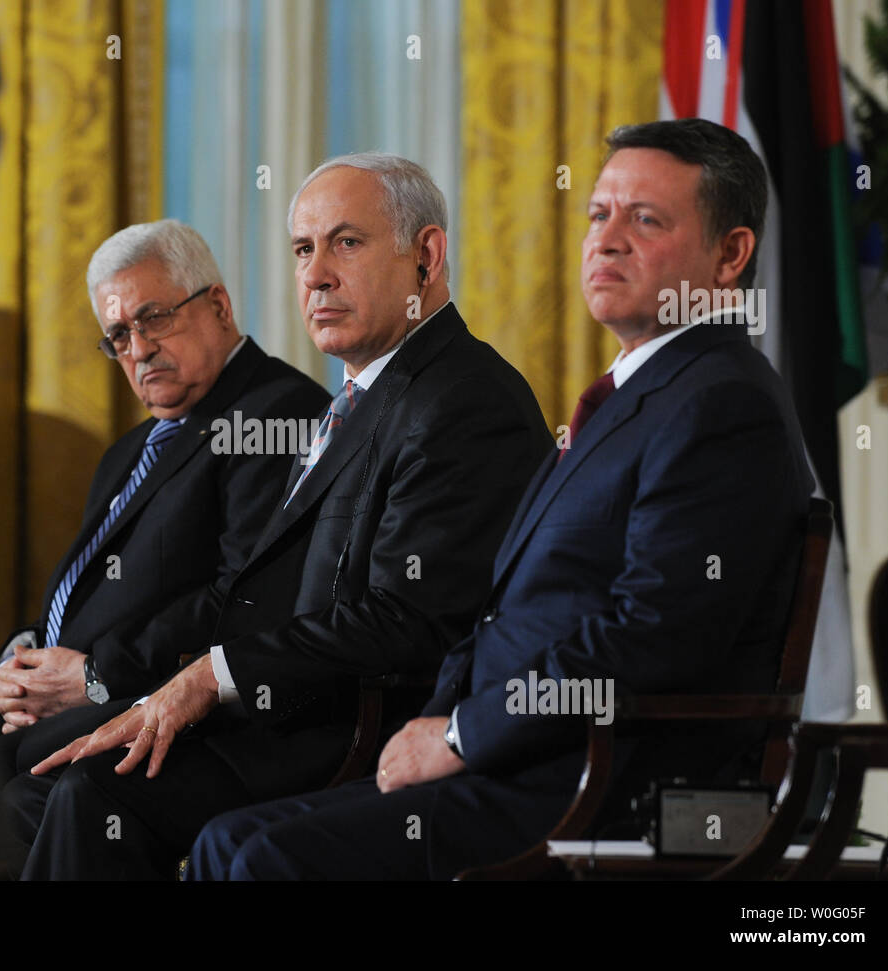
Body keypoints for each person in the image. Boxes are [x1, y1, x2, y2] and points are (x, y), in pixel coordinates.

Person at [188, 118, 816, 880]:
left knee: (264, 858)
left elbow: (652, 638)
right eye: (598, 214)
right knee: (227, 841)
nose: (606, 240)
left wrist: (458, 734)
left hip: (599, 783)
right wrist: (437, 724)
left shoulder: (721, 402)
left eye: (645, 220)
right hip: (520, 760)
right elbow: (499, 611)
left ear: (731, 255)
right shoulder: (640, 395)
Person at [7, 152, 553, 879]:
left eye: (346, 243)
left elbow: (410, 620)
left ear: (426, 256)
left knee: (90, 793)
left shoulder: (463, 399)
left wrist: (208, 676)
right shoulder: (359, 399)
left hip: (352, 728)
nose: (315, 274)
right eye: (303, 249)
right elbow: (270, 590)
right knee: (54, 782)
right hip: (283, 705)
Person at [0, 220, 328, 771]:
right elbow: (88, 592)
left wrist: (96, 678)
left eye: (154, 318)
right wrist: (21, 661)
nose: (139, 349)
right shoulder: (129, 450)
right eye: (118, 335)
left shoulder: (276, 415)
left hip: (172, 704)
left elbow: (242, 595)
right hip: (74, 694)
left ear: (218, 306)